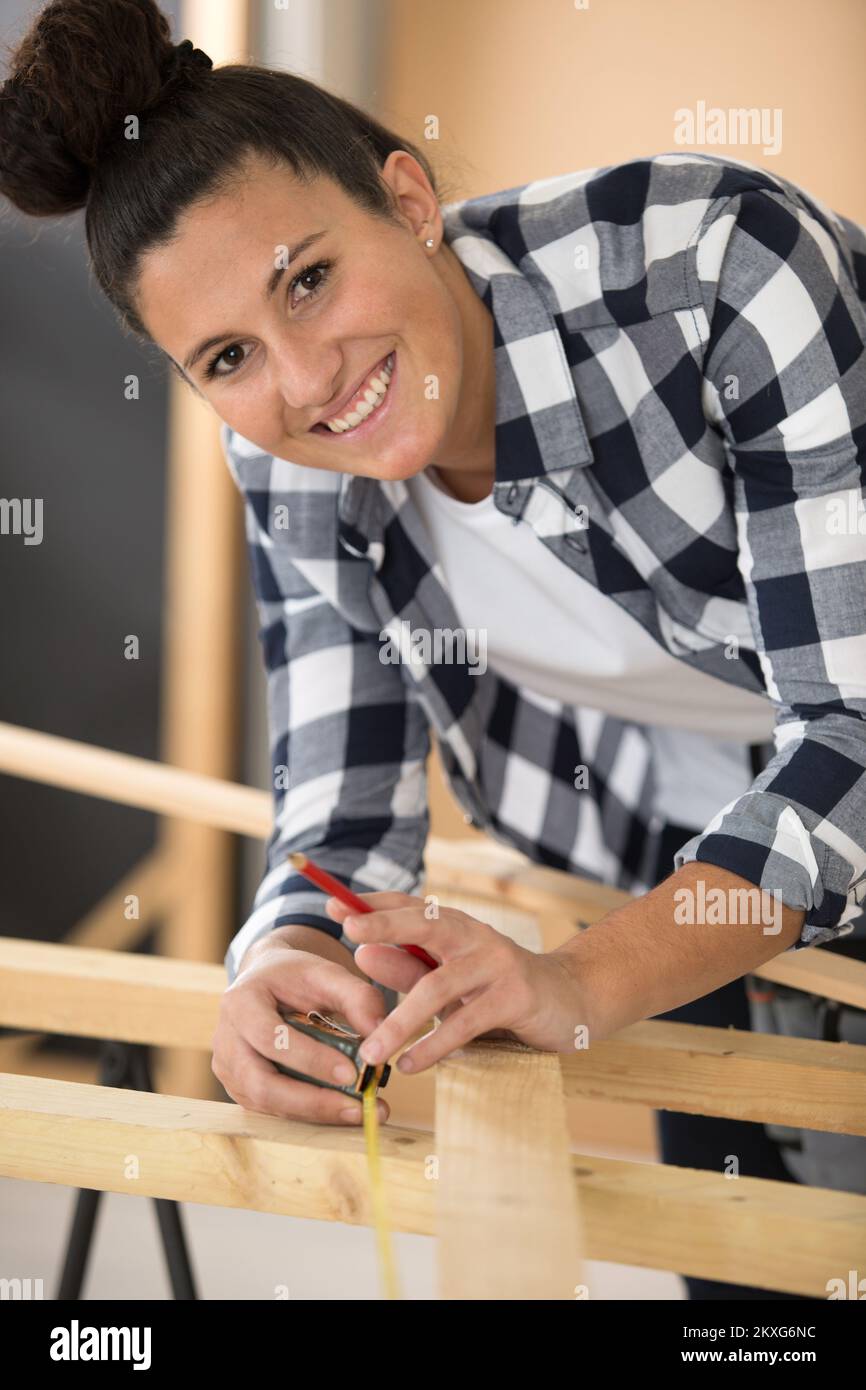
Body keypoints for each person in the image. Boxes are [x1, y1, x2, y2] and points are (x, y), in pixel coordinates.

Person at [3, 0, 865, 1301]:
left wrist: (576, 978)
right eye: (228, 355)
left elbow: (853, 732)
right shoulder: (283, 461)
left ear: (406, 197)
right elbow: (340, 811)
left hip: (785, 819)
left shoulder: (717, 269)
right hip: (671, 871)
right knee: (756, 1304)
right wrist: (286, 953)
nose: (303, 377)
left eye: (308, 278)